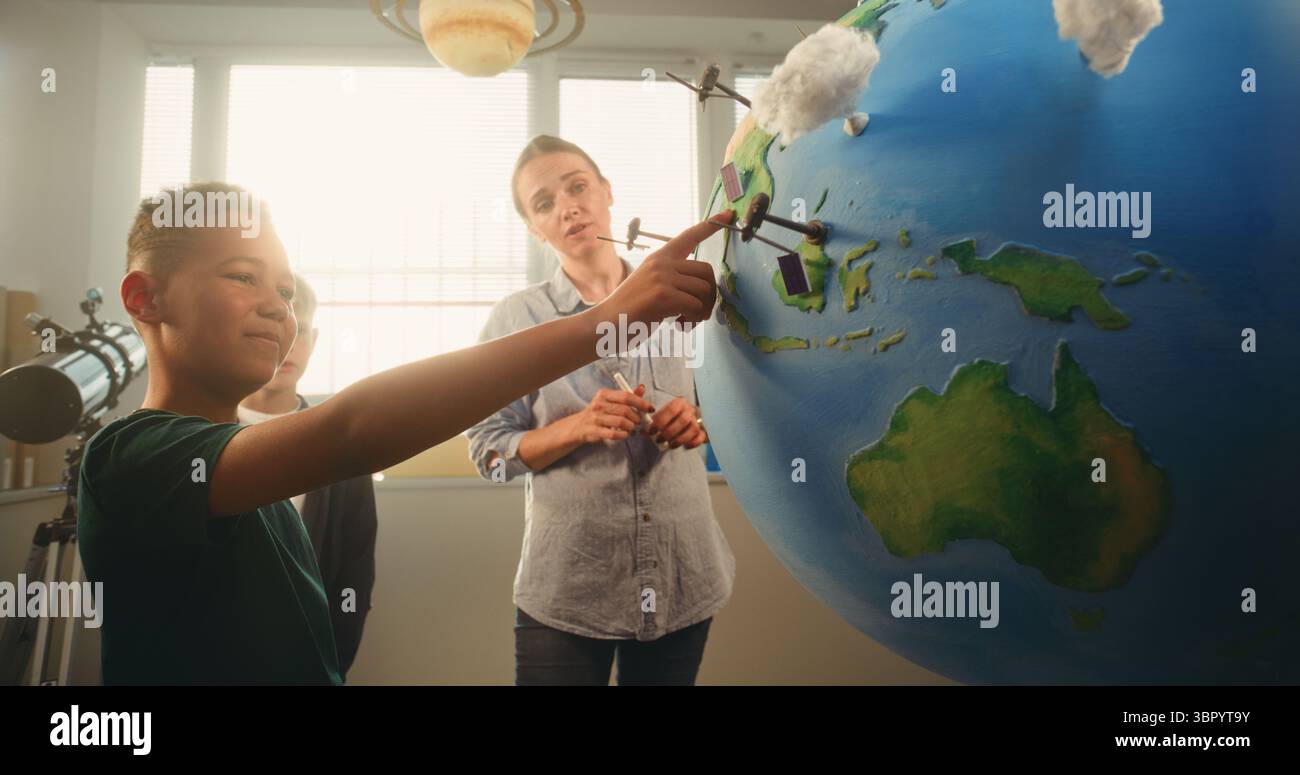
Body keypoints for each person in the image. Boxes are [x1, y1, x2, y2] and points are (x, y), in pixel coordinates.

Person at [77, 181, 731, 685]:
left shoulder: (263, 483)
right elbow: (353, 429)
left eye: (282, 285)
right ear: (145, 299)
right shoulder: (129, 458)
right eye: (244, 276)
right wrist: (609, 318)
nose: (278, 305)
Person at [466, 136, 736, 686]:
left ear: (606, 192)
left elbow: (730, 407)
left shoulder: (684, 297)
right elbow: (487, 452)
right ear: (533, 228)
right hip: (567, 591)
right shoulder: (517, 318)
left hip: (683, 577)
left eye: (578, 186)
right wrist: (575, 426)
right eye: (543, 203)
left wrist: (699, 422)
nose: (567, 206)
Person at [237, 275, 377, 680]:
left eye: (297, 330)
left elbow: (355, 570)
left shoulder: (343, 445)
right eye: (272, 328)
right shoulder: (196, 436)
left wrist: (333, 660)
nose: (286, 345)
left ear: (313, 340)